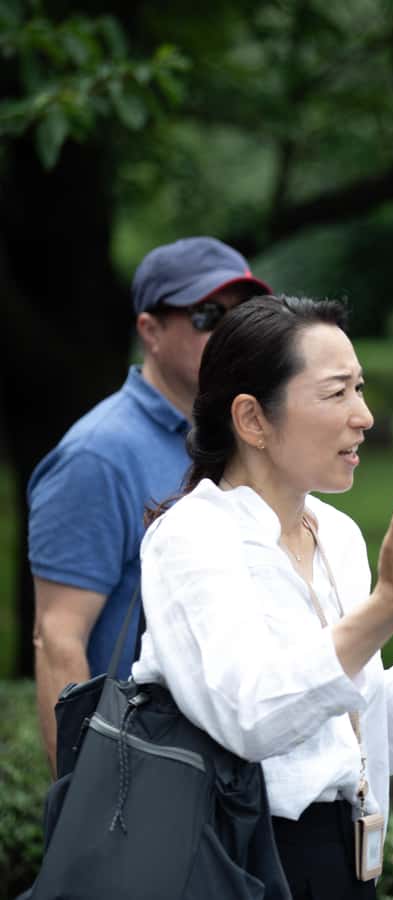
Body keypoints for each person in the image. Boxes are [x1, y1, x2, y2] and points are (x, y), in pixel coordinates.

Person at [132, 293, 393, 898]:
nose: (365, 415)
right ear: (252, 420)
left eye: (360, 387)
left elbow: (369, 741)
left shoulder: (337, 533)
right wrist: (388, 607)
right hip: (244, 857)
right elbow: (253, 719)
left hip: (344, 861)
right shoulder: (193, 538)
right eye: (336, 393)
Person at [28, 236, 270, 775]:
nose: (228, 331)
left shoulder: (241, 437)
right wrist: (83, 801)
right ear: (150, 331)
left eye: (244, 314)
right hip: (143, 770)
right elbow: (58, 636)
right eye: (207, 314)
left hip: (235, 766)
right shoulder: (97, 456)